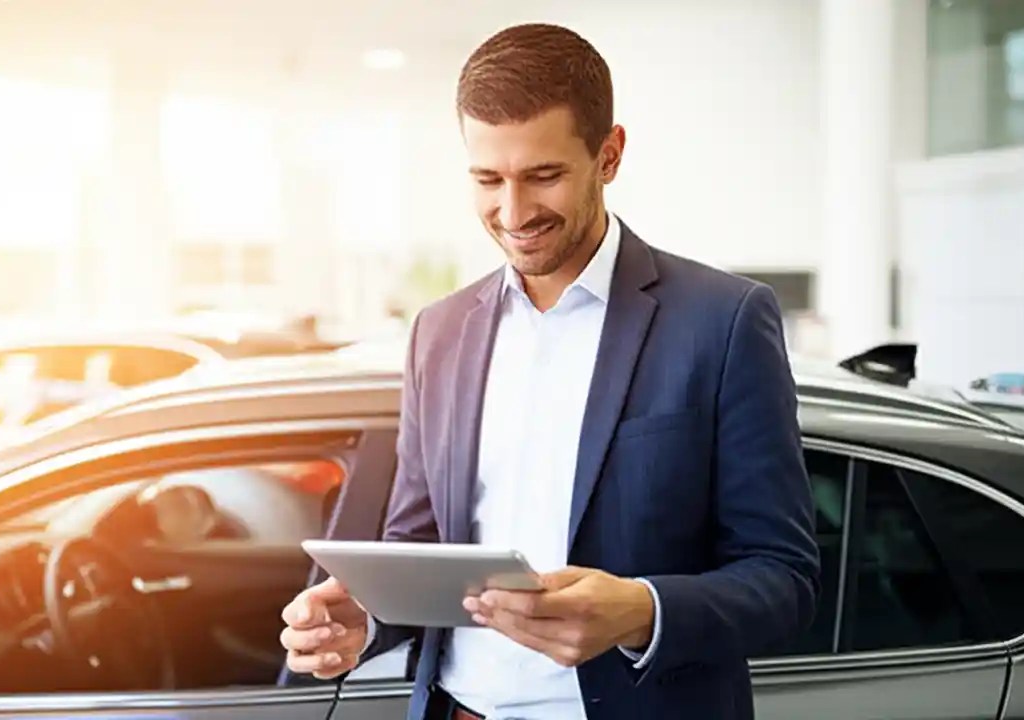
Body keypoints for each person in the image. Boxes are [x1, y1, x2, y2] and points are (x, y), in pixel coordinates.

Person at [280, 22, 819, 720]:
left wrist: (639, 612)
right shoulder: (438, 332)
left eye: (543, 176)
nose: (513, 212)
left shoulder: (723, 320)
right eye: (487, 179)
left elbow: (785, 580)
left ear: (610, 154)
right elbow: (418, 544)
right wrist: (369, 616)